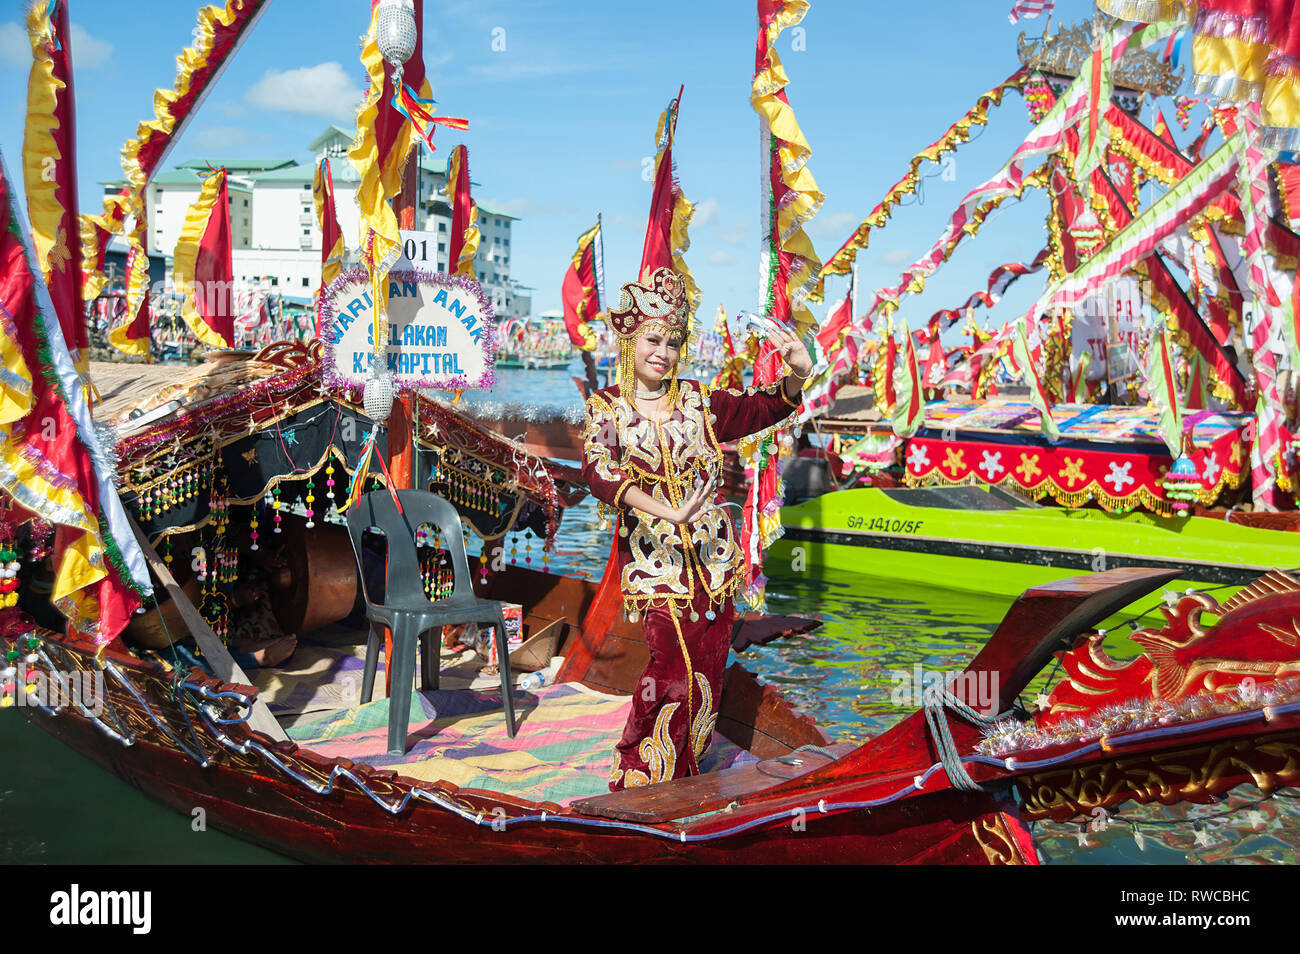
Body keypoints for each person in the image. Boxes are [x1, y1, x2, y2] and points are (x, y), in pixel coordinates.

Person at [581, 266, 812, 791]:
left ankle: (683, 772)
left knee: (706, 671)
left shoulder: (698, 401)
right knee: (670, 669)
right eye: (652, 339)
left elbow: (762, 408)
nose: (662, 352)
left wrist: (797, 372)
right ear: (630, 339)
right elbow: (599, 471)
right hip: (656, 565)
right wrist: (668, 512)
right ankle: (637, 779)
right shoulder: (608, 407)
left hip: (713, 564)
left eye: (672, 341)